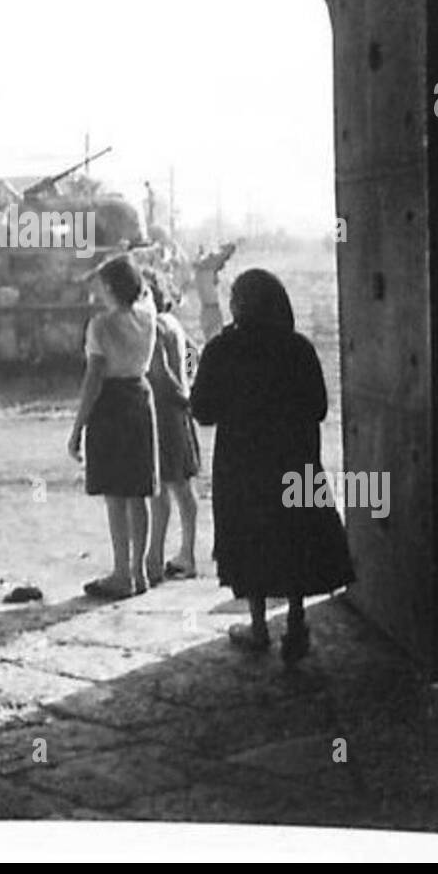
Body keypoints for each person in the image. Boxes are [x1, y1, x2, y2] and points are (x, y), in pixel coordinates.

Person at [189, 268, 354, 663]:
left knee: (250, 538)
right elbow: (318, 408)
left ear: (240, 304)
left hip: (242, 466)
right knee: (296, 536)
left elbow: (203, 411)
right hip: (295, 461)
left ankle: (259, 626)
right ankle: (296, 623)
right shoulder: (298, 348)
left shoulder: (222, 349)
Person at [68, 255, 159, 599]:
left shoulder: (100, 326)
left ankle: (122, 574)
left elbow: (93, 378)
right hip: (140, 396)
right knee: (138, 490)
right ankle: (139, 571)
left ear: (109, 287)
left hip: (111, 404)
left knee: (115, 495)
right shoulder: (148, 318)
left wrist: (78, 428)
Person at [143, 271, 202, 583]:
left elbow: (159, 371)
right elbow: (194, 353)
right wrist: (187, 388)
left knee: (160, 489)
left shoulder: (153, 327)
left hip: (163, 410)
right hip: (179, 411)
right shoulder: (173, 323)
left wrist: (175, 390)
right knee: (183, 488)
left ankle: (153, 558)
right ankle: (187, 554)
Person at [193, 241, 237, 341]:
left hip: (207, 310)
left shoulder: (202, 271)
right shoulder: (206, 269)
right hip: (212, 310)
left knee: (211, 340)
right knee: (216, 340)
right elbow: (221, 257)